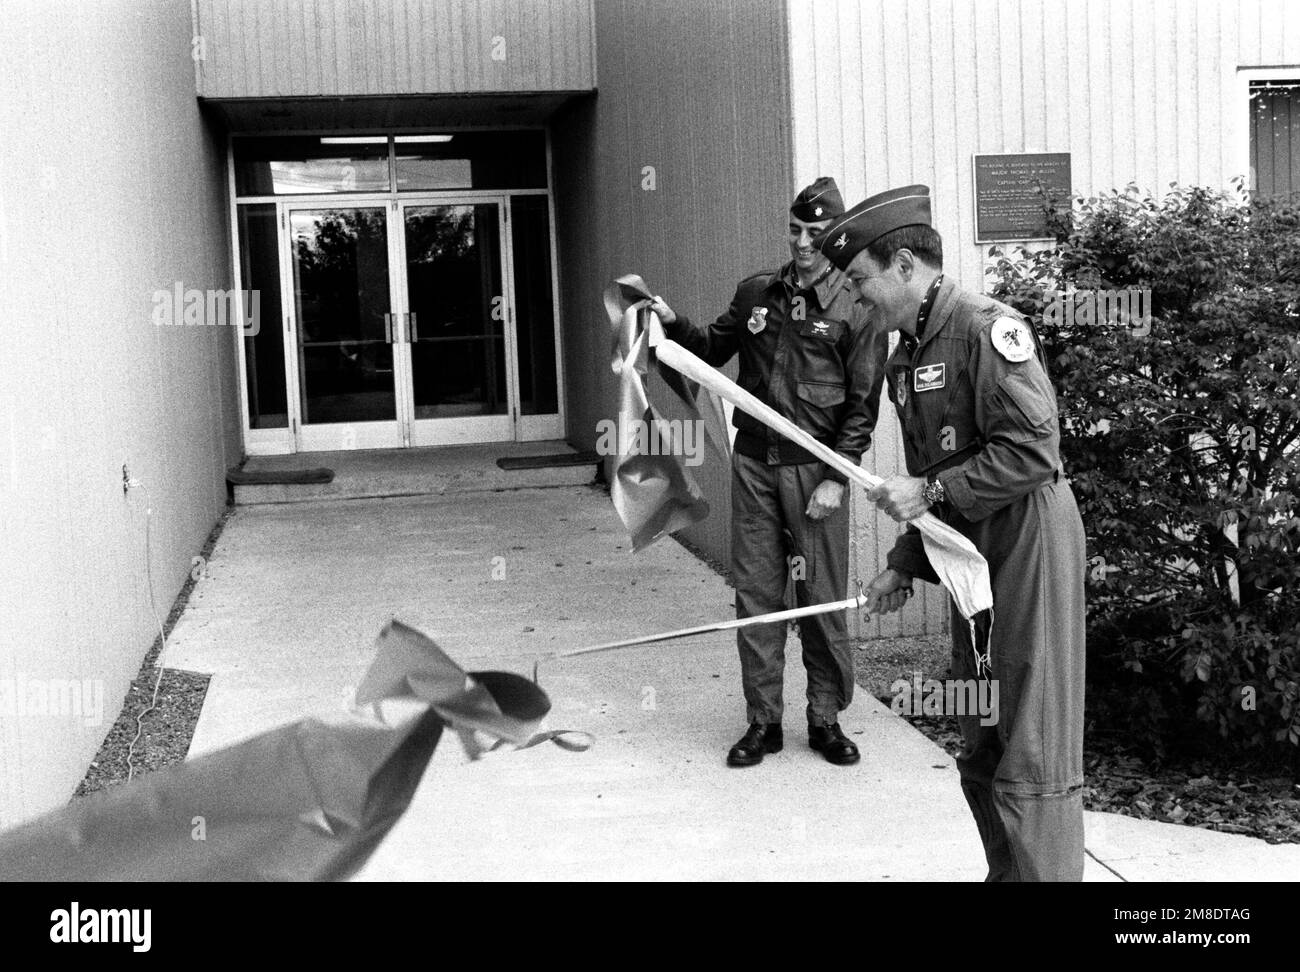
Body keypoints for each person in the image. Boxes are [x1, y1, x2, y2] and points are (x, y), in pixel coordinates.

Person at [816, 185, 1087, 880]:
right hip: (969, 552)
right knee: (982, 724)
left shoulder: (986, 329)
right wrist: (906, 562)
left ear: (903, 264)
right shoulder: (906, 353)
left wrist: (930, 492)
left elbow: (1035, 452)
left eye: (860, 282)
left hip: (1026, 542)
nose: (856, 300)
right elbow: (932, 470)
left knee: (1032, 735)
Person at [649, 177, 888, 768]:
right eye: (795, 230)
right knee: (756, 597)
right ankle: (763, 722)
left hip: (815, 473)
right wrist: (672, 321)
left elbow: (862, 405)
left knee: (821, 599)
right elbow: (708, 350)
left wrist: (840, 476)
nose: (803, 243)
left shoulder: (856, 305)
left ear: (835, 236)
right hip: (755, 465)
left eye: (815, 233)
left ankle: (825, 717)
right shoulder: (758, 293)